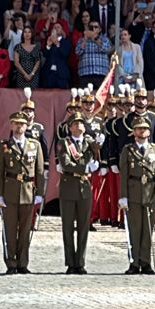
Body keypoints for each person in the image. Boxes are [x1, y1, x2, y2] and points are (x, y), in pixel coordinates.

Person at [0, 110, 45, 274]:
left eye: (22, 124)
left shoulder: (34, 145)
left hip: (28, 191)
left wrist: (39, 193)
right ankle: (11, 263)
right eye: (16, 123)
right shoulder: (4, 146)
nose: (19, 126)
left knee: (25, 230)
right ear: (11, 125)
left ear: (27, 125)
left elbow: (40, 170)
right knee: (9, 229)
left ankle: (23, 263)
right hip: (10, 191)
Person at [54, 108, 99, 274]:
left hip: (85, 188)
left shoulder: (89, 142)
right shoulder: (64, 142)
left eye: (81, 123)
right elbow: (66, 164)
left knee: (83, 227)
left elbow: (98, 155)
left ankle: (80, 262)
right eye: (75, 123)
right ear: (70, 127)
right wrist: (85, 167)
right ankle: (70, 263)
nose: (79, 125)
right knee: (67, 227)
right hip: (68, 186)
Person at [119, 116, 155, 274]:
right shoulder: (128, 150)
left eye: (145, 128)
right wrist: (122, 196)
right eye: (139, 128)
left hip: (151, 193)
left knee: (148, 230)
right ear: (134, 131)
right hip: (133, 192)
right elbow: (123, 174)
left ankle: (145, 263)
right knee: (134, 229)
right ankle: (134, 262)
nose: (142, 131)